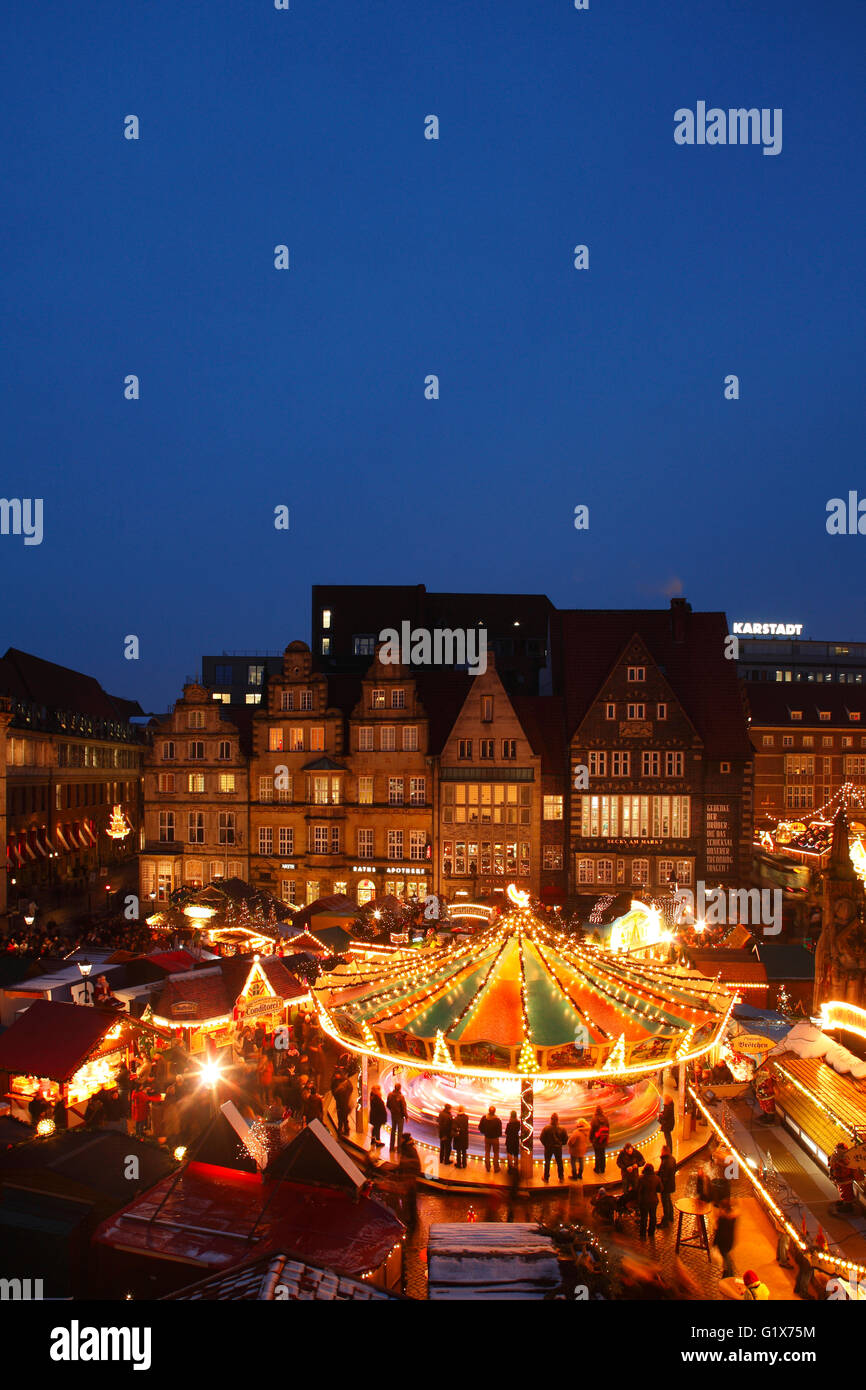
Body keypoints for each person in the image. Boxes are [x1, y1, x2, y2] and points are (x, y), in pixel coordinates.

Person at [713, 1196, 738, 1279]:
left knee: (726, 1258)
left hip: (723, 1243)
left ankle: (729, 1275)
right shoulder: (732, 1218)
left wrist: (714, 1243)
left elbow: (719, 1232)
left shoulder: (723, 1219)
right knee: (727, 1256)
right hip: (729, 1242)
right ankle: (727, 1273)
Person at [540, 1112, 568, 1183]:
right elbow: (565, 1139)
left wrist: (546, 1144)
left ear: (551, 1119)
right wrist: (561, 1144)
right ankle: (561, 1178)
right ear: (557, 1120)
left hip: (548, 1147)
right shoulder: (562, 1129)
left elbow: (541, 1138)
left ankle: (546, 1178)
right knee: (559, 1162)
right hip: (558, 1148)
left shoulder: (546, 1128)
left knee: (547, 1162)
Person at [637, 1162, 662, 1240]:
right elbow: (660, 1189)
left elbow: (638, 1189)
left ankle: (642, 1234)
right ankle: (651, 1232)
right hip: (654, 1200)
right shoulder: (657, 1178)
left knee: (643, 1217)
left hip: (644, 1201)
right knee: (653, 1216)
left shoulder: (641, 1179)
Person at [479, 1105, 502, 1173]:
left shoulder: (484, 1118)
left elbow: (480, 1127)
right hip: (495, 1139)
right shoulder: (497, 1120)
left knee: (487, 1153)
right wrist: (497, 1135)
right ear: (494, 1111)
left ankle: (488, 1167)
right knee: (496, 1154)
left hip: (487, 1138)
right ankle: (496, 1168)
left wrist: (484, 1132)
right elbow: (499, 1131)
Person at [658, 1144, 677, 1227]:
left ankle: (665, 1221)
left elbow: (664, 1175)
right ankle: (670, 1216)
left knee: (665, 1202)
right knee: (668, 1200)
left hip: (665, 1186)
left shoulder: (666, 1161)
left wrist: (660, 1184)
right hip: (670, 1185)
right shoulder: (672, 1159)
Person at [386, 1081, 407, 1152]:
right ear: (400, 1089)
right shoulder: (401, 1097)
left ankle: (391, 1148)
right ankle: (399, 1149)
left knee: (393, 1131)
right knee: (400, 1132)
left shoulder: (390, 1095)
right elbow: (403, 1108)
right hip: (400, 1117)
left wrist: (392, 1110)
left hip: (393, 1115)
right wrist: (406, 1117)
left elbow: (387, 1105)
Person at [590, 1106, 609, 1174]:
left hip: (596, 1139)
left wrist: (591, 1138)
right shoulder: (606, 1118)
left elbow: (592, 1130)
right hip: (603, 1139)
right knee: (602, 1154)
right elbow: (608, 1128)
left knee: (597, 1154)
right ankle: (603, 1168)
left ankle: (597, 1169)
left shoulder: (594, 1119)